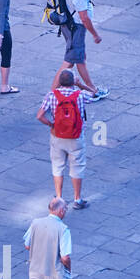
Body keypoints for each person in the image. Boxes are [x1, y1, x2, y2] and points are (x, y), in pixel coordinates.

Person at [52, 0, 108, 101]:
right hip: (76, 28)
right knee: (69, 62)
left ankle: (92, 89)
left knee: (79, 58)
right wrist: (95, 34)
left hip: (68, 27)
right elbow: (84, 18)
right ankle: (52, 95)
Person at [37, 70, 90, 208]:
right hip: (75, 136)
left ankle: (59, 197)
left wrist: (51, 124)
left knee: (57, 166)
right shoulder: (80, 95)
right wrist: (81, 85)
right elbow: (94, 93)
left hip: (57, 135)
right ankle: (77, 199)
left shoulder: (51, 95)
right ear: (73, 82)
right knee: (77, 166)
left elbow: (40, 116)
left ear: (60, 82)